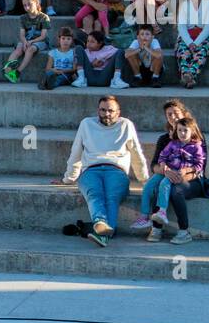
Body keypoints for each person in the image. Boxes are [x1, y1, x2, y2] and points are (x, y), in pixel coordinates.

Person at [54, 95, 149, 247]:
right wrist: (69, 178)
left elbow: (137, 154)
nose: (106, 114)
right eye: (103, 110)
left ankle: (102, 232)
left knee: (112, 198)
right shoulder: (86, 124)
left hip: (116, 170)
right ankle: (101, 225)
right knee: (94, 195)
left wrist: (145, 180)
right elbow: (76, 152)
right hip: (91, 171)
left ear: (118, 112)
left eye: (111, 111)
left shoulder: (126, 125)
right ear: (98, 110)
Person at [132, 115, 205, 244]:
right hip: (168, 171)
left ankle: (169, 218)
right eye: (179, 130)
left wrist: (185, 171)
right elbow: (161, 157)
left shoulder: (197, 146)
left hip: (185, 176)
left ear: (192, 131)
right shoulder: (171, 143)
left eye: (185, 130)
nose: (182, 133)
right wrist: (164, 167)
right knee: (150, 186)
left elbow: (199, 166)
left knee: (168, 187)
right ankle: (146, 218)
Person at [3, 0, 49, 83]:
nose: (27, 7)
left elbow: (43, 36)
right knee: (18, 49)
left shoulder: (44, 17)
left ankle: (18, 72)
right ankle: (8, 70)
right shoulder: (23, 18)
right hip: (27, 40)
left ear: (36, 3)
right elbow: (22, 34)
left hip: (40, 42)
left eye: (29, 4)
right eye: (24, 5)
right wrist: (24, 42)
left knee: (30, 49)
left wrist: (31, 42)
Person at [124, 23, 164, 87]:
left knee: (158, 54)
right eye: (142, 34)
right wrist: (140, 49)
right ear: (138, 37)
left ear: (152, 36)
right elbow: (126, 55)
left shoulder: (154, 41)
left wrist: (146, 48)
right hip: (140, 70)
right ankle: (137, 77)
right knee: (131, 54)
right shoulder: (135, 42)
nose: (144, 36)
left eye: (147, 34)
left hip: (152, 69)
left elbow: (159, 55)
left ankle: (155, 78)